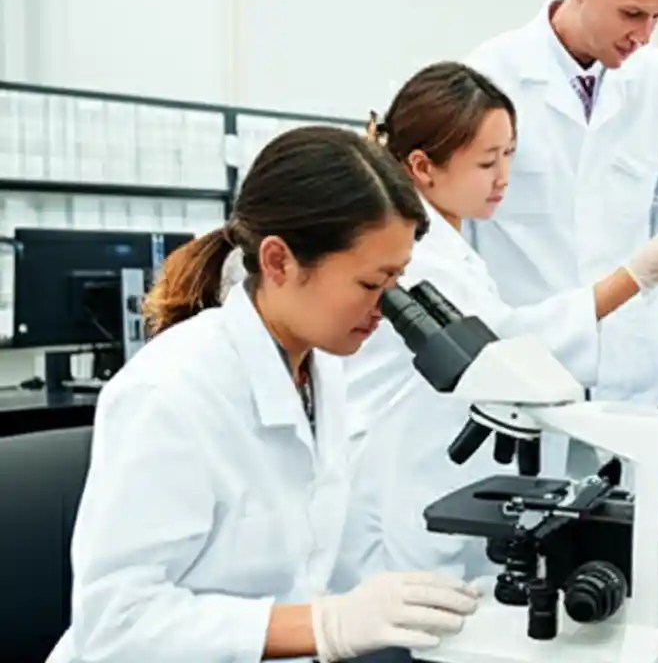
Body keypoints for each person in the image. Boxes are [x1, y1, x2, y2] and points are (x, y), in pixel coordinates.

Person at [49, 128, 482, 663]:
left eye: (396, 283)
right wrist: (325, 624)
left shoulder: (320, 371)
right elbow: (118, 626)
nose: (384, 309)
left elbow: (303, 562)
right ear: (278, 261)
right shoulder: (170, 393)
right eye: (371, 285)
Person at [339, 62, 658, 581]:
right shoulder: (413, 254)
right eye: (486, 163)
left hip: (436, 479)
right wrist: (639, 272)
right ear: (422, 166)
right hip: (397, 495)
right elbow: (501, 350)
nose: (504, 178)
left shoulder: (449, 244)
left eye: (509, 156)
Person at [463, 0, 658, 466]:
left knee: (631, 541)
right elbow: (460, 240)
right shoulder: (489, 76)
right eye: (632, 14)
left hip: (634, 383)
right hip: (526, 376)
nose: (644, 36)